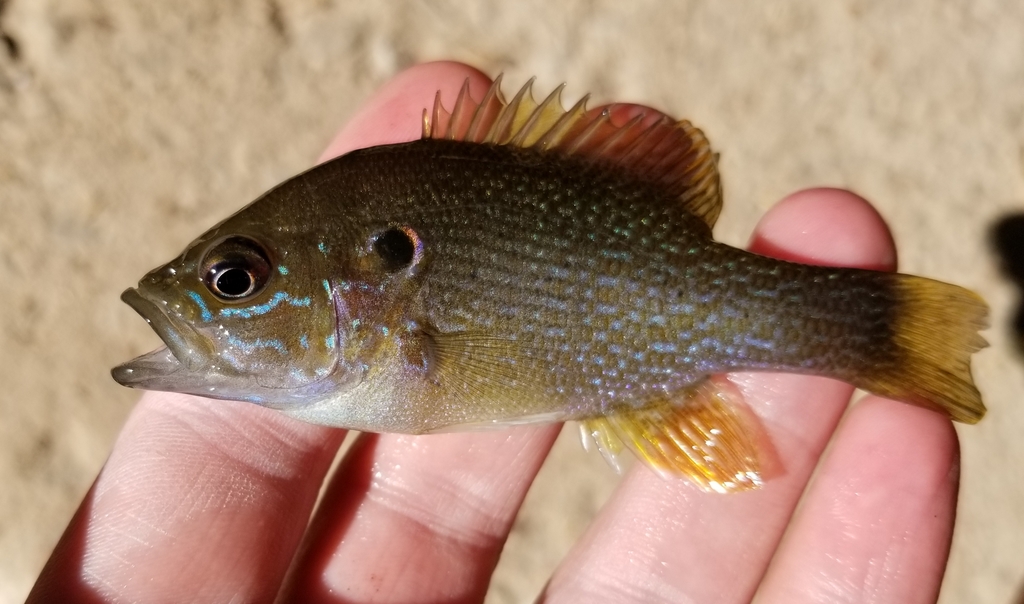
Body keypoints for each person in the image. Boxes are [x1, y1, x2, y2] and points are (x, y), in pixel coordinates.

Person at [27, 62, 960, 604]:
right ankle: (894, 332)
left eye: (236, 280)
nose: (215, 297)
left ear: (349, 285)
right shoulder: (373, 320)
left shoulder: (385, 328)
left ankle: (884, 330)